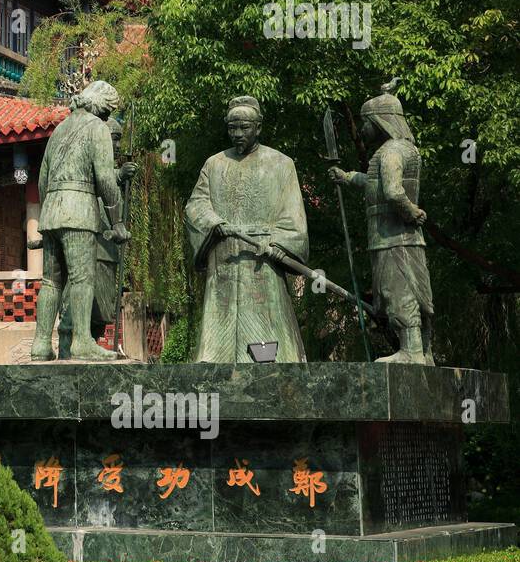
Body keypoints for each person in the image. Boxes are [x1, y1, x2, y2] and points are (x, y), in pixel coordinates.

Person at [184, 95, 309, 363]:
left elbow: (293, 217)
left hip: (262, 260)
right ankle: (215, 362)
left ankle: (269, 363)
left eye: (244, 128)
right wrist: (213, 223)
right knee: (218, 345)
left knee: (267, 341)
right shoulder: (214, 164)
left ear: (258, 128)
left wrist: (277, 244)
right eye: (232, 128)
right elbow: (195, 206)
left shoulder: (282, 164)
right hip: (224, 257)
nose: (238, 134)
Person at [328, 80, 433, 364]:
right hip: (400, 238)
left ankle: (411, 351)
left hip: (391, 238)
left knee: (397, 289)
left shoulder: (390, 153)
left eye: (365, 123)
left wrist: (410, 211)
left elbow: (393, 191)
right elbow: (374, 183)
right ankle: (424, 351)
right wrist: (348, 177)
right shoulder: (402, 150)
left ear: (381, 121)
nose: (362, 131)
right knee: (412, 287)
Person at [30, 80, 128, 361]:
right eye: (108, 112)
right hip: (79, 212)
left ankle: (40, 345)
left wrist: (47, 211)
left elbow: (42, 180)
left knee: (50, 282)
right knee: (82, 278)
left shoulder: (59, 130)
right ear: (101, 107)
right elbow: (106, 180)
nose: (107, 118)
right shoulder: (96, 128)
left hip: (51, 213)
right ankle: (82, 341)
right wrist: (117, 220)